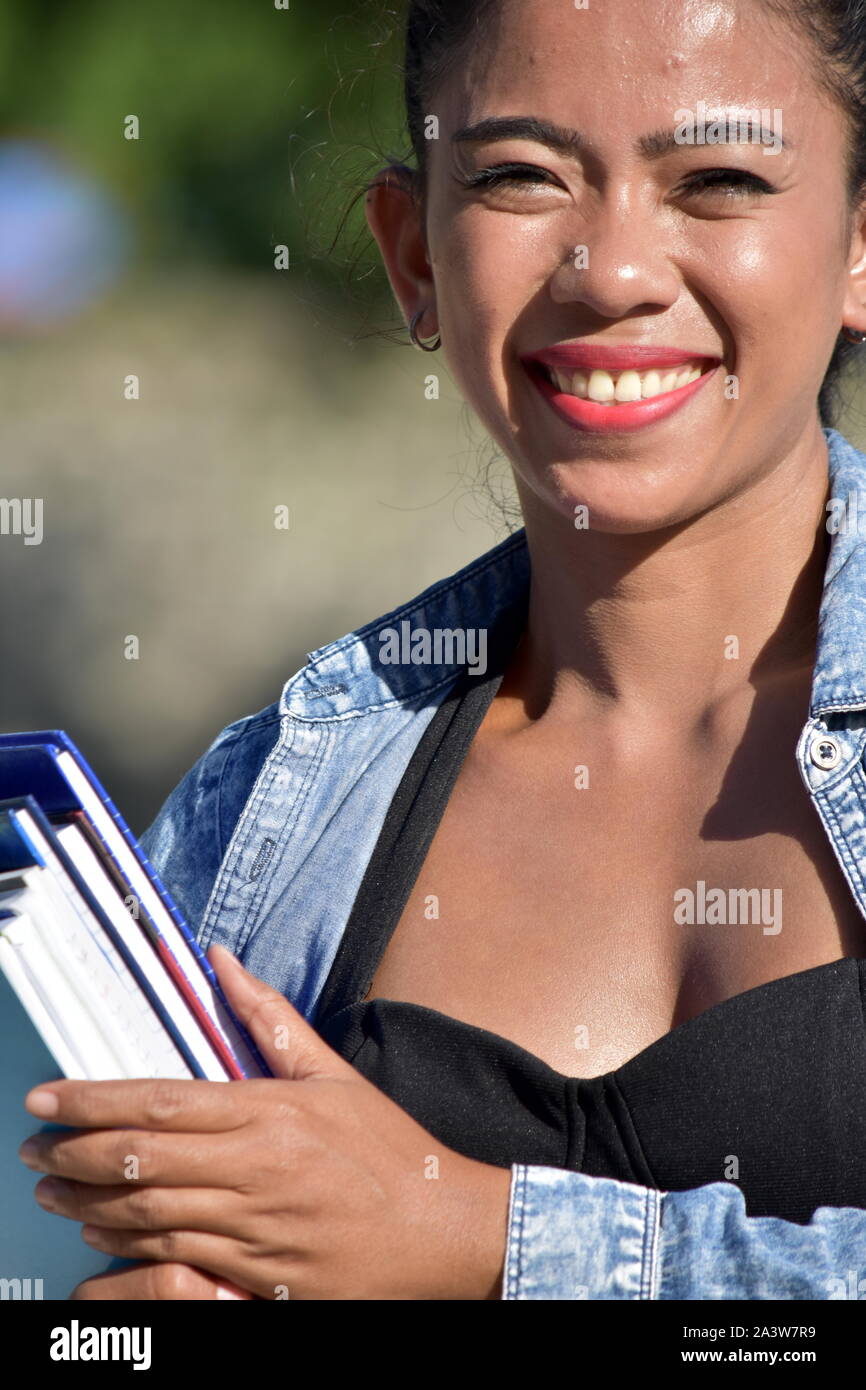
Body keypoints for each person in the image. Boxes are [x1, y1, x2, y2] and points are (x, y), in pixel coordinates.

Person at [18, 0, 866, 1299]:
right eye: (523, 176)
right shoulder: (270, 807)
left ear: (859, 241)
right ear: (413, 254)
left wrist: (479, 1241)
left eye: (716, 180)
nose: (610, 268)